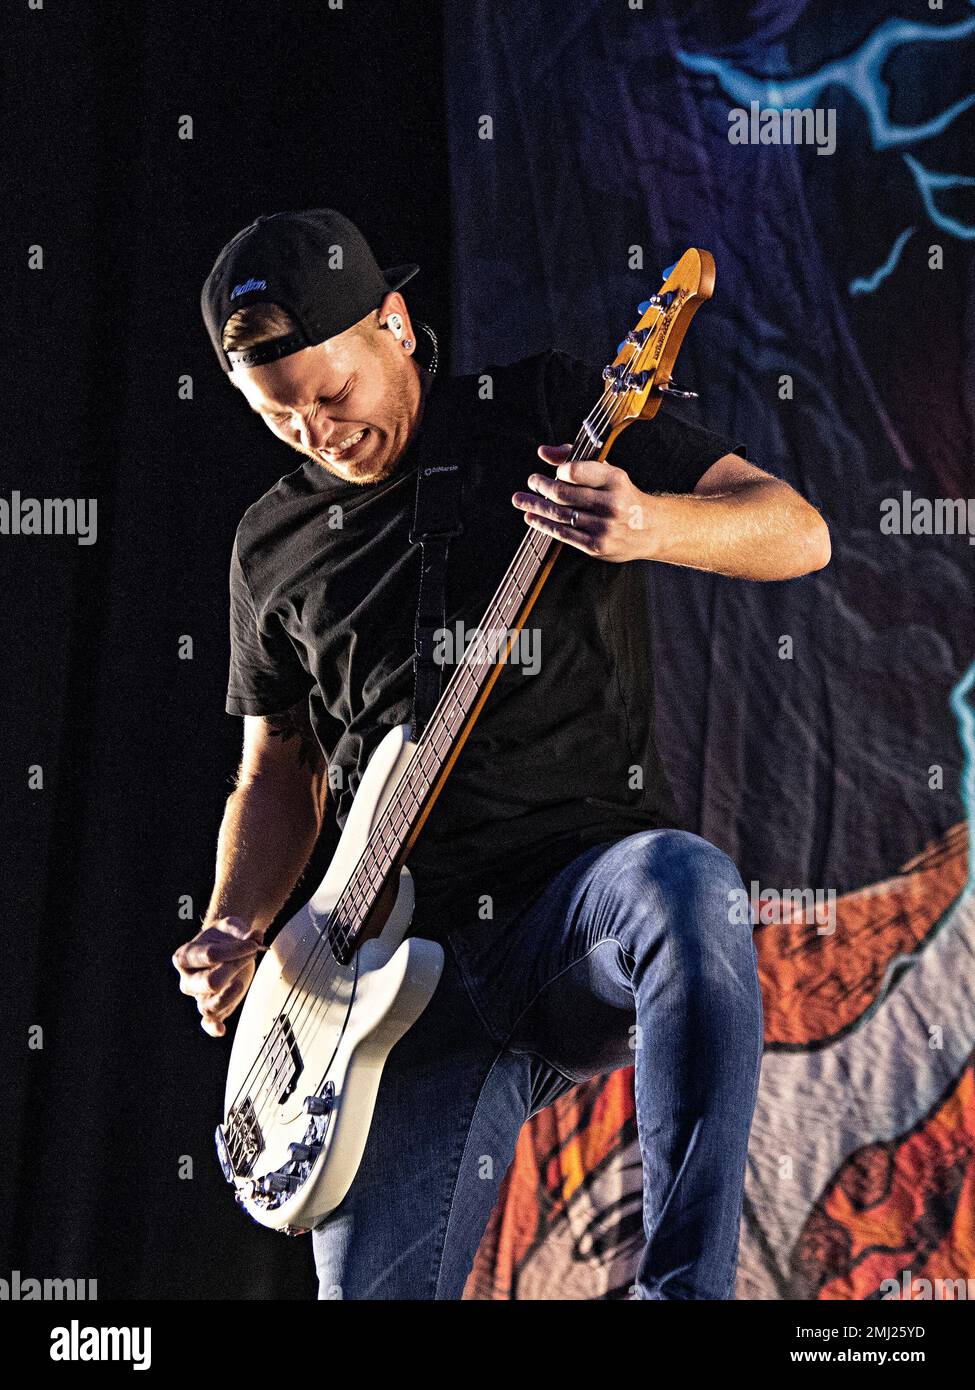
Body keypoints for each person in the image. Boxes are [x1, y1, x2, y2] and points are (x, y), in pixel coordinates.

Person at [174, 208, 831, 1300]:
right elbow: (275, 771)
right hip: (392, 980)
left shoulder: (544, 409)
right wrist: (234, 920)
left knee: (688, 888)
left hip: (572, 907)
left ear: (393, 321)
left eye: (332, 395)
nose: (318, 433)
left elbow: (795, 529)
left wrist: (650, 526)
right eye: (280, 416)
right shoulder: (270, 544)